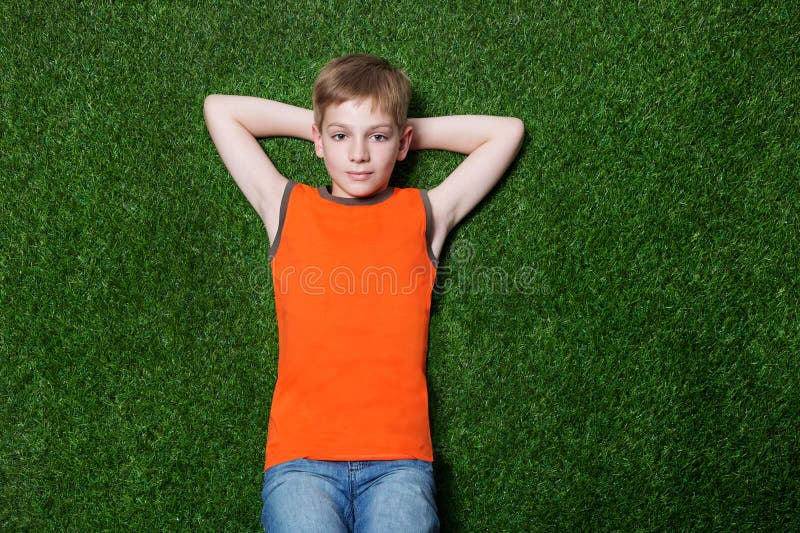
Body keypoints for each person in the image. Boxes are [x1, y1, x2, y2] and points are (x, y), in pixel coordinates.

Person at [203, 54, 523, 532]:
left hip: (399, 463)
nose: (357, 154)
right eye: (339, 137)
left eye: (377, 137)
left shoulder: (425, 214)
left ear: (402, 143)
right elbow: (219, 109)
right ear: (318, 139)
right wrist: (332, 118)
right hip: (300, 462)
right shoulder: (286, 206)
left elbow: (506, 132)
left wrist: (392, 126)